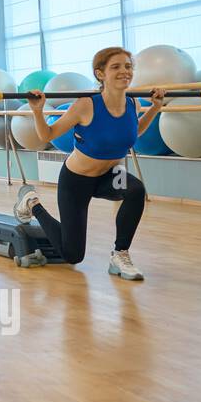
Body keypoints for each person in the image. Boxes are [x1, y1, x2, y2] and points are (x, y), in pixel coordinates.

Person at [13, 46, 163, 279]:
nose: (124, 71)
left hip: (112, 174)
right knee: (72, 255)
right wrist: (37, 111)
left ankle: (120, 254)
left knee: (135, 190)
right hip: (77, 180)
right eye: (116, 67)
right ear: (100, 74)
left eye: (128, 66)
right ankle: (32, 203)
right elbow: (47, 135)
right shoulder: (86, 105)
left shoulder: (134, 105)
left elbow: (134, 133)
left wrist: (155, 108)